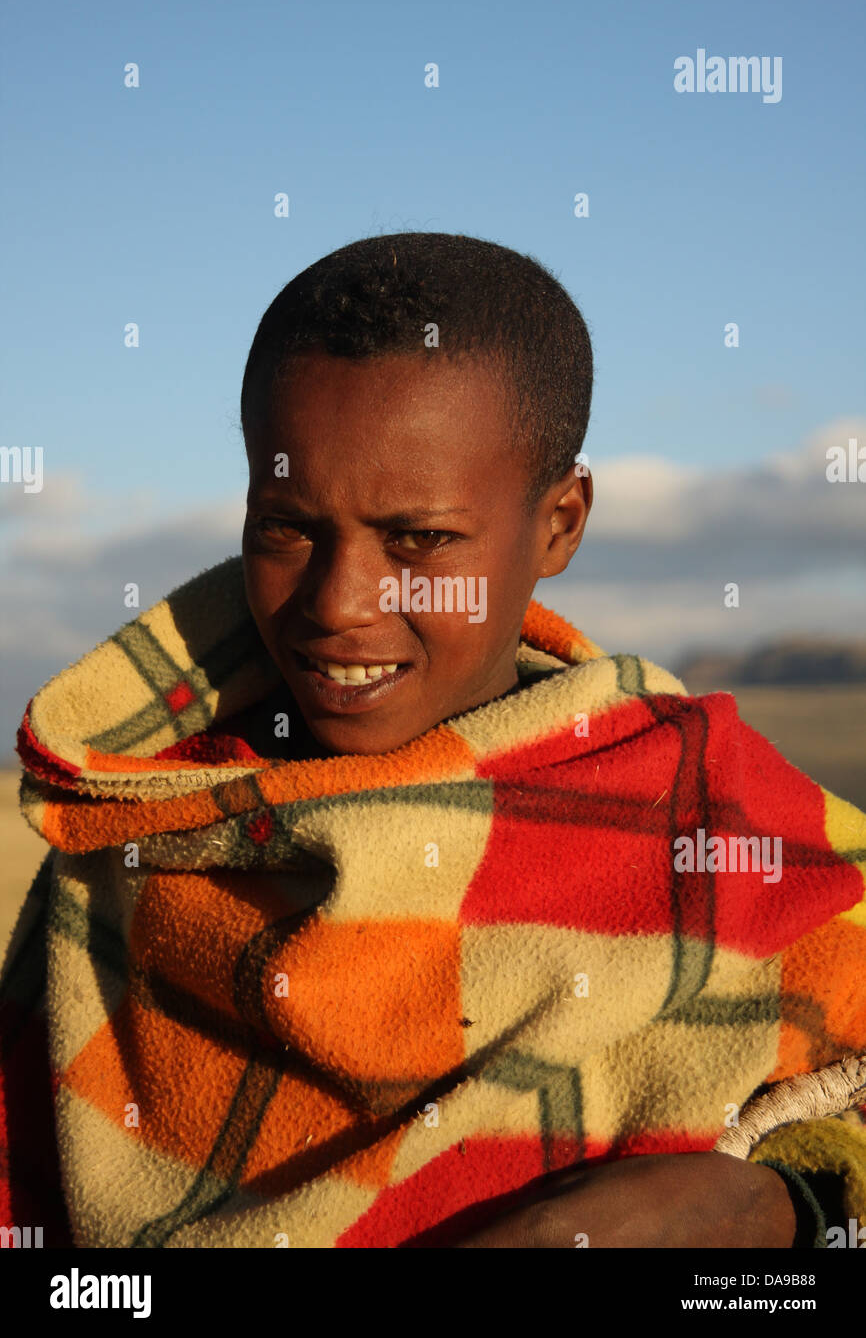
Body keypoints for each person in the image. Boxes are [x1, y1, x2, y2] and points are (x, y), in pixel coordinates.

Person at [2, 233, 864, 1249]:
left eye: (416, 538)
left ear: (558, 523)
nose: (339, 604)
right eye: (286, 528)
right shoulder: (135, 842)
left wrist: (777, 1212)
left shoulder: (715, 823)